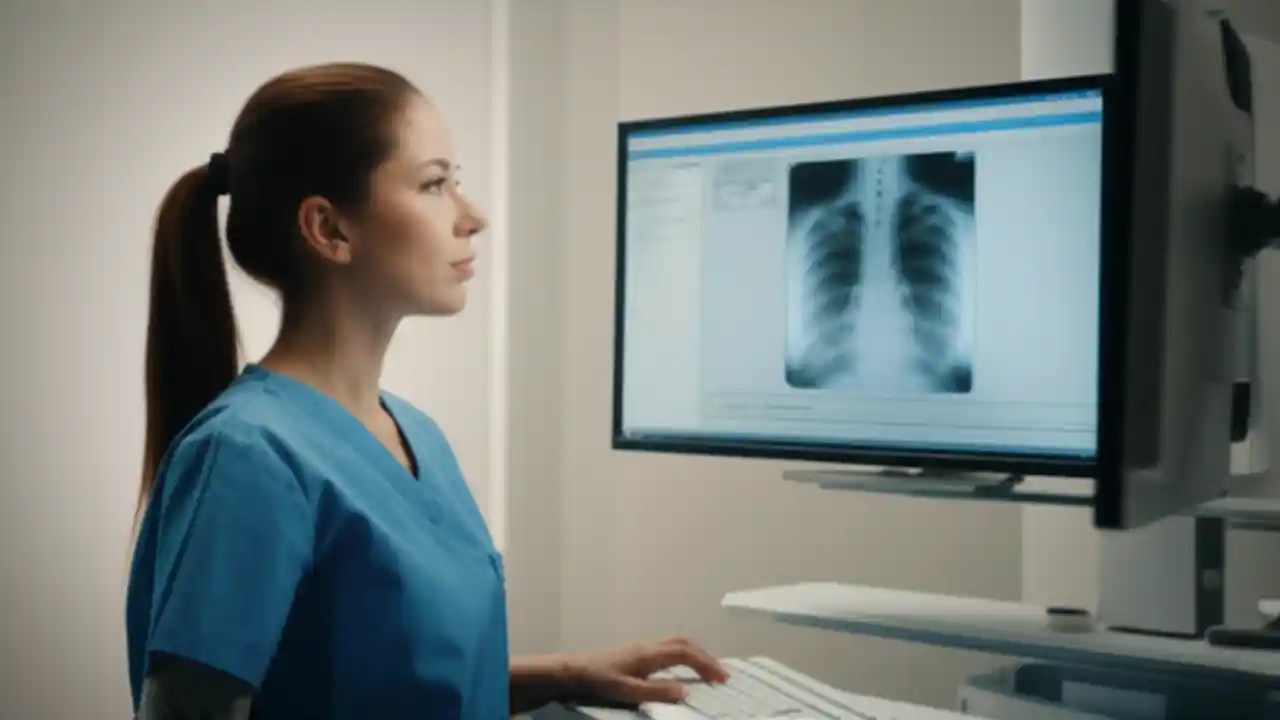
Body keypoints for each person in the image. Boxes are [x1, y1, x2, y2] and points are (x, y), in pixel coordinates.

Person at [126, 61, 729, 719]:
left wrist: (564, 674)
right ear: (329, 229)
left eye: (456, 182)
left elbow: (386, 687)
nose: (472, 217)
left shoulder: (414, 435)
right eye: (435, 184)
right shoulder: (247, 456)